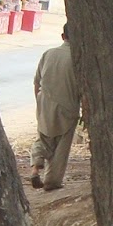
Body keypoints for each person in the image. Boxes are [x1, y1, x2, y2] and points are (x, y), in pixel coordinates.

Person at [29, 25, 79, 191]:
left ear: (62, 36)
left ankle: (36, 167)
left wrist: (39, 102)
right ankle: (52, 181)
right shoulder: (79, 59)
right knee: (61, 146)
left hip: (45, 102)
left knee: (43, 137)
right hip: (68, 106)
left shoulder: (49, 54)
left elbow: (37, 82)